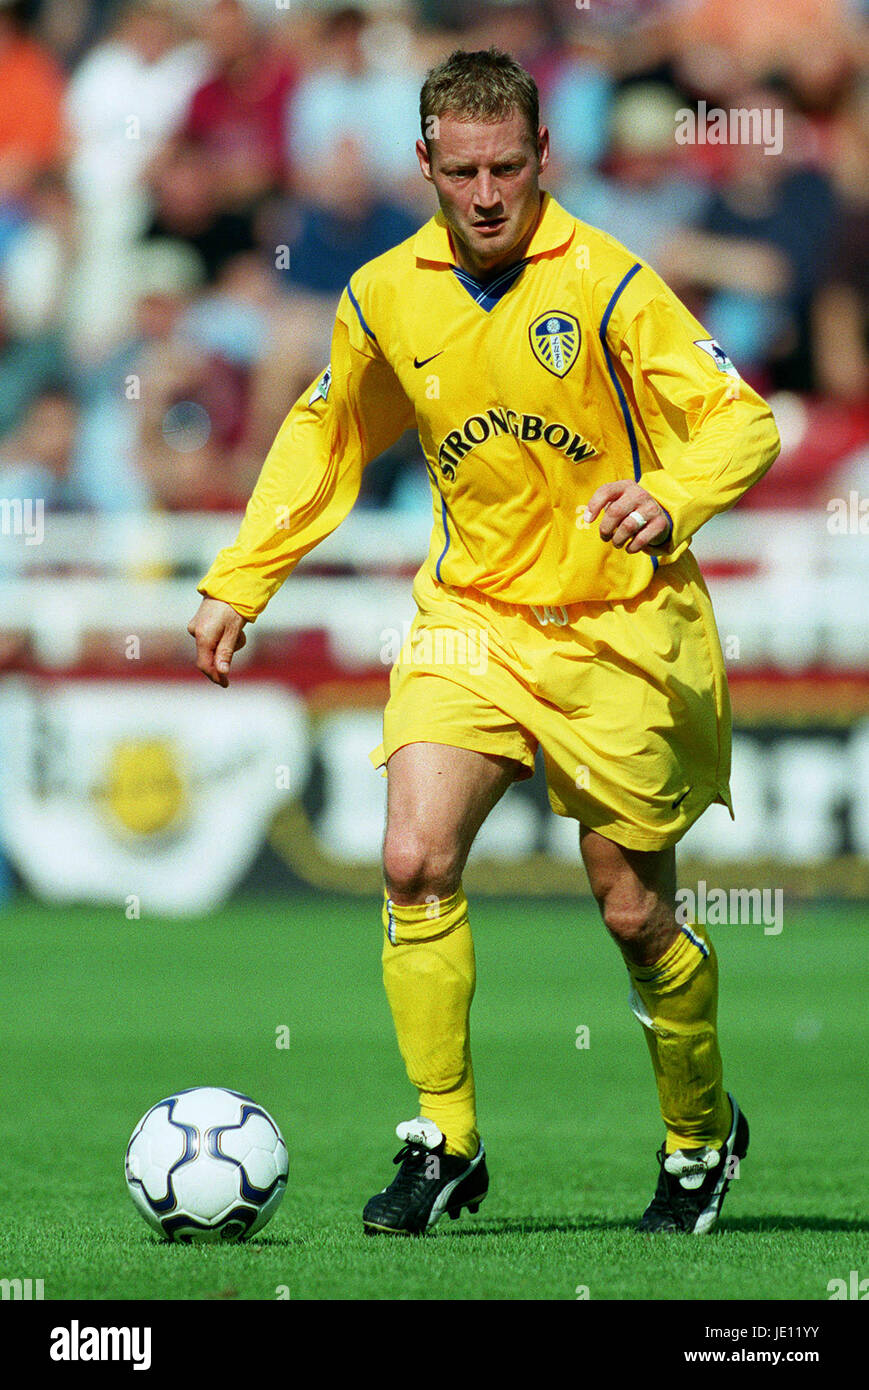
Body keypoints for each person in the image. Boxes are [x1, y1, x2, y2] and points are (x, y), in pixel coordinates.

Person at [188, 49, 780, 1236]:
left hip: (615, 627)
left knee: (630, 916)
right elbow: (323, 437)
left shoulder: (609, 283)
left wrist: (668, 495)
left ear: (542, 158)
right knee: (411, 860)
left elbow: (739, 418)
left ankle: (695, 1136)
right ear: (425, 164)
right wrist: (242, 576)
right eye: (461, 171)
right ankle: (445, 1138)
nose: (487, 193)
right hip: (471, 620)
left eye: (507, 166)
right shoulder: (382, 295)